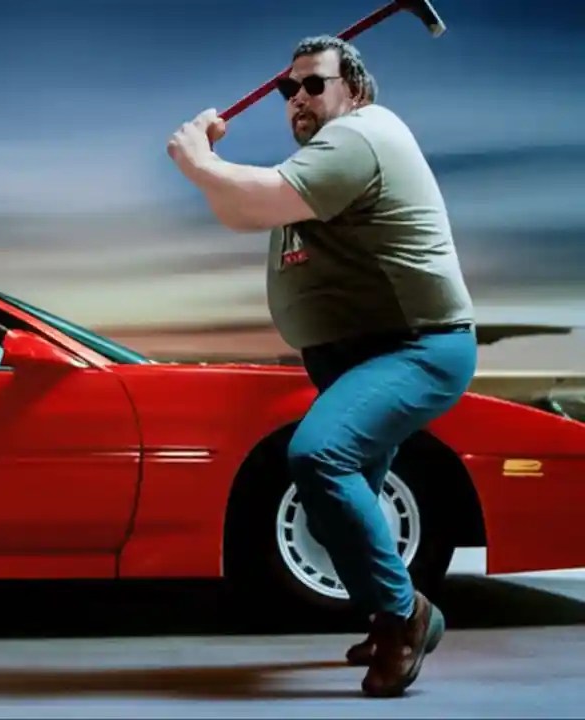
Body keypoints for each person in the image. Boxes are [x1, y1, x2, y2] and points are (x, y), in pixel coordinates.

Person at [165, 35, 477, 698]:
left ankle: (405, 615)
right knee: (334, 504)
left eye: (314, 84)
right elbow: (238, 211)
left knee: (319, 458)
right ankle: (391, 614)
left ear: (354, 89)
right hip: (357, 358)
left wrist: (200, 161)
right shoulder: (320, 159)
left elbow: (251, 199)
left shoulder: (361, 136)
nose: (298, 98)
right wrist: (209, 170)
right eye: (288, 88)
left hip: (413, 350)